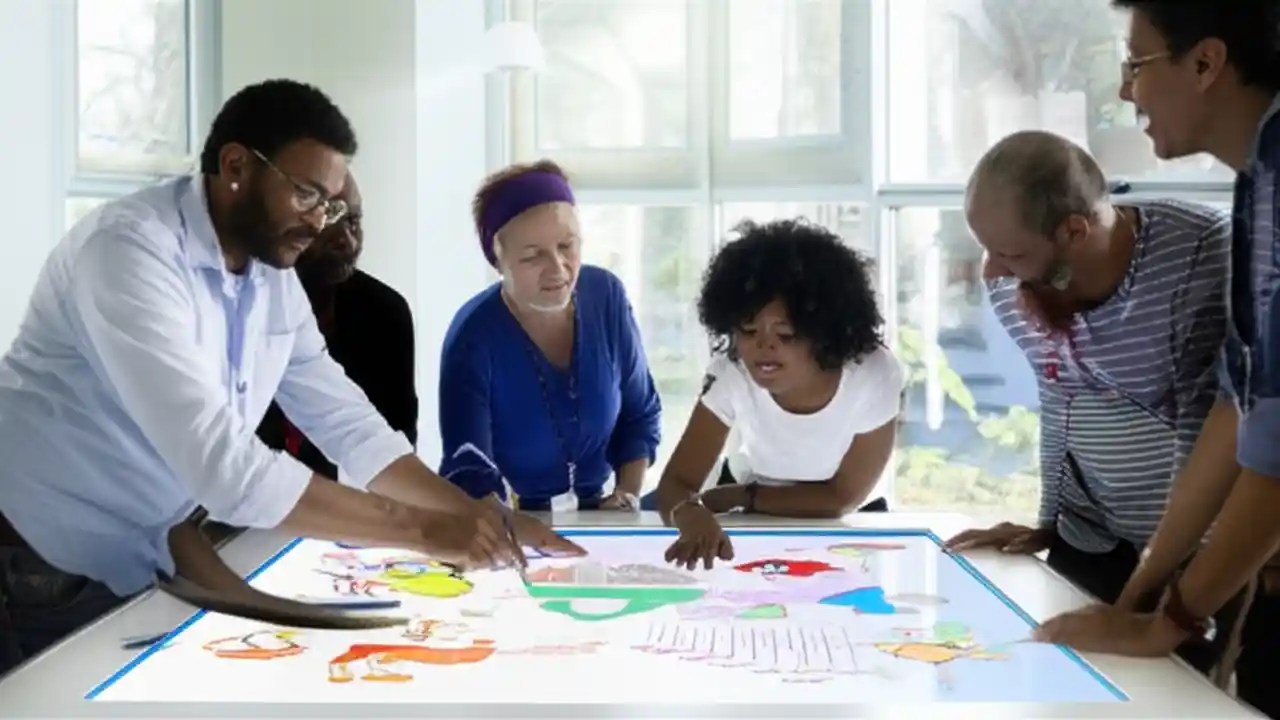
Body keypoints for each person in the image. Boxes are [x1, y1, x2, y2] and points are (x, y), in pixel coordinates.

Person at [0, 80, 576, 677]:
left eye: (328, 203)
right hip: (40, 561)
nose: (319, 222)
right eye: (306, 194)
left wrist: (479, 520)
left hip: (141, 549)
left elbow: (347, 422)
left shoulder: (269, 270)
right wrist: (429, 531)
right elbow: (226, 468)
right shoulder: (128, 253)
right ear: (236, 167)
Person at [1033, 2, 1280, 716]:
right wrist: (1139, 594)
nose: (1124, 92)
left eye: (1135, 65)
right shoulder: (1259, 177)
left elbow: (1275, 455)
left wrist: (1170, 622)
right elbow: (1242, 407)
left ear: (1205, 63)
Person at [945, 129, 1235, 673]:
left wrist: (1137, 604)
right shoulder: (1015, 282)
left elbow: (1208, 427)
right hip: (1093, 534)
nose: (992, 272)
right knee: (1068, 679)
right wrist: (1048, 521)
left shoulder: (1201, 256)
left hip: (1192, 547)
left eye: (1009, 253)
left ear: (1075, 231)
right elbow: (1058, 391)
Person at [652, 218, 903, 570]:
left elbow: (841, 498)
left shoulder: (873, 373)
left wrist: (741, 496)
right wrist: (688, 513)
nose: (763, 346)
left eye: (785, 335)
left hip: (852, 525)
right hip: (755, 519)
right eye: (748, 330)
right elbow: (676, 483)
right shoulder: (732, 370)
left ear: (826, 334)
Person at [437, 159, 662, 512]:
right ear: (497, 259)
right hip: (513, 521)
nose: (558, 269)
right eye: (532, 256)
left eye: (567, 246)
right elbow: (468, 465)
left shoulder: (606, 296)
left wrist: (626, 495)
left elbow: (639, 415)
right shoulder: (473, 336)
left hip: (605, 515)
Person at [257, 171, 419, 478]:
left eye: (354, 221)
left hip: (345, 508)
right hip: (233, 507)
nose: (347, 240)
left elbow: (394, 440)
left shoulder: (384, 311)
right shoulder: (244, 305)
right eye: (329, 220)